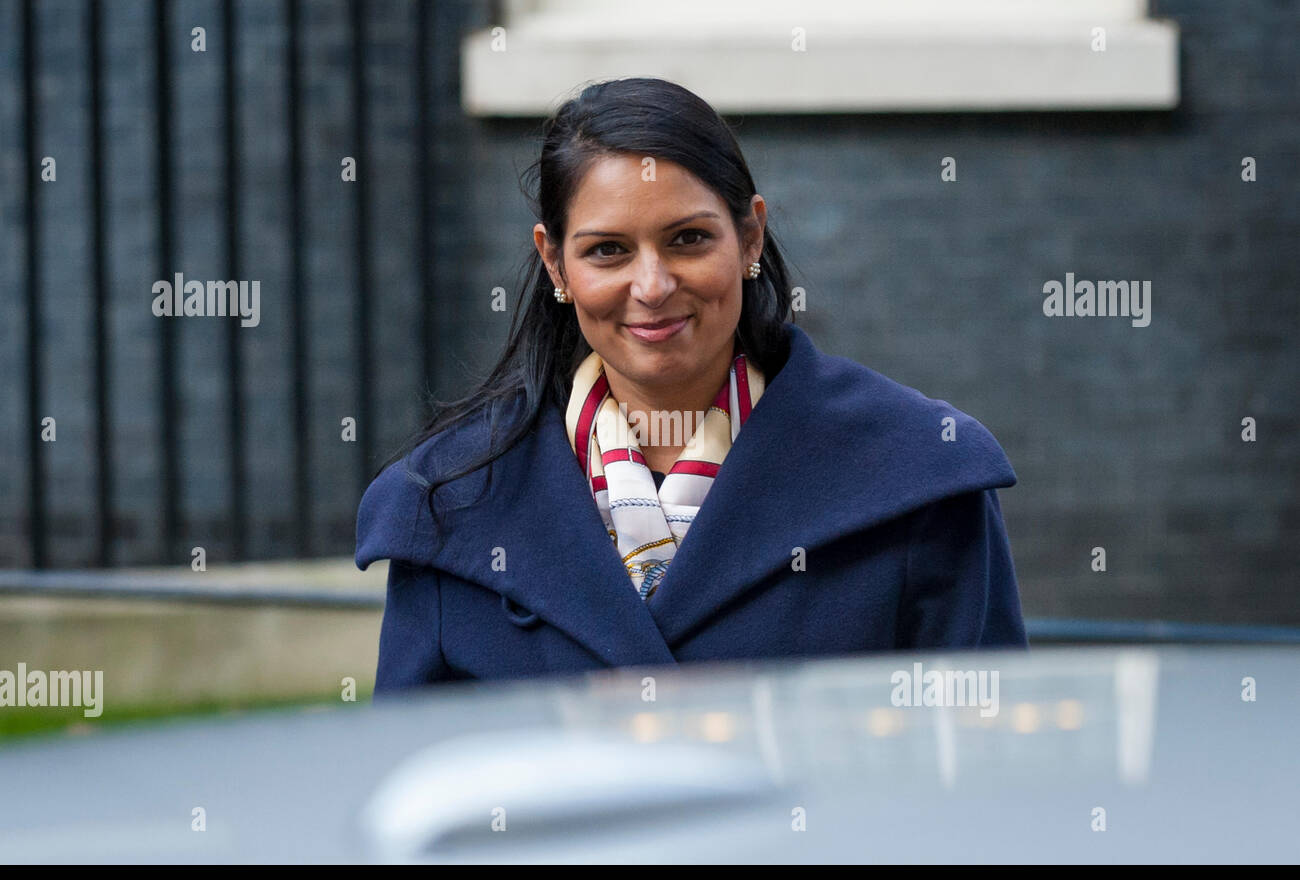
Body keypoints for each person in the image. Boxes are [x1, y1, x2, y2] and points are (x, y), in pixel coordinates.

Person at [355, 77, 1026, 691]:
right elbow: (416, 794)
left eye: (687, 239)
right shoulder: (449, 507)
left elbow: (983, 782)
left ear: (750, 236)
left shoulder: (920, 477)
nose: (652, 286)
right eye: (607, 251)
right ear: (554, 263)